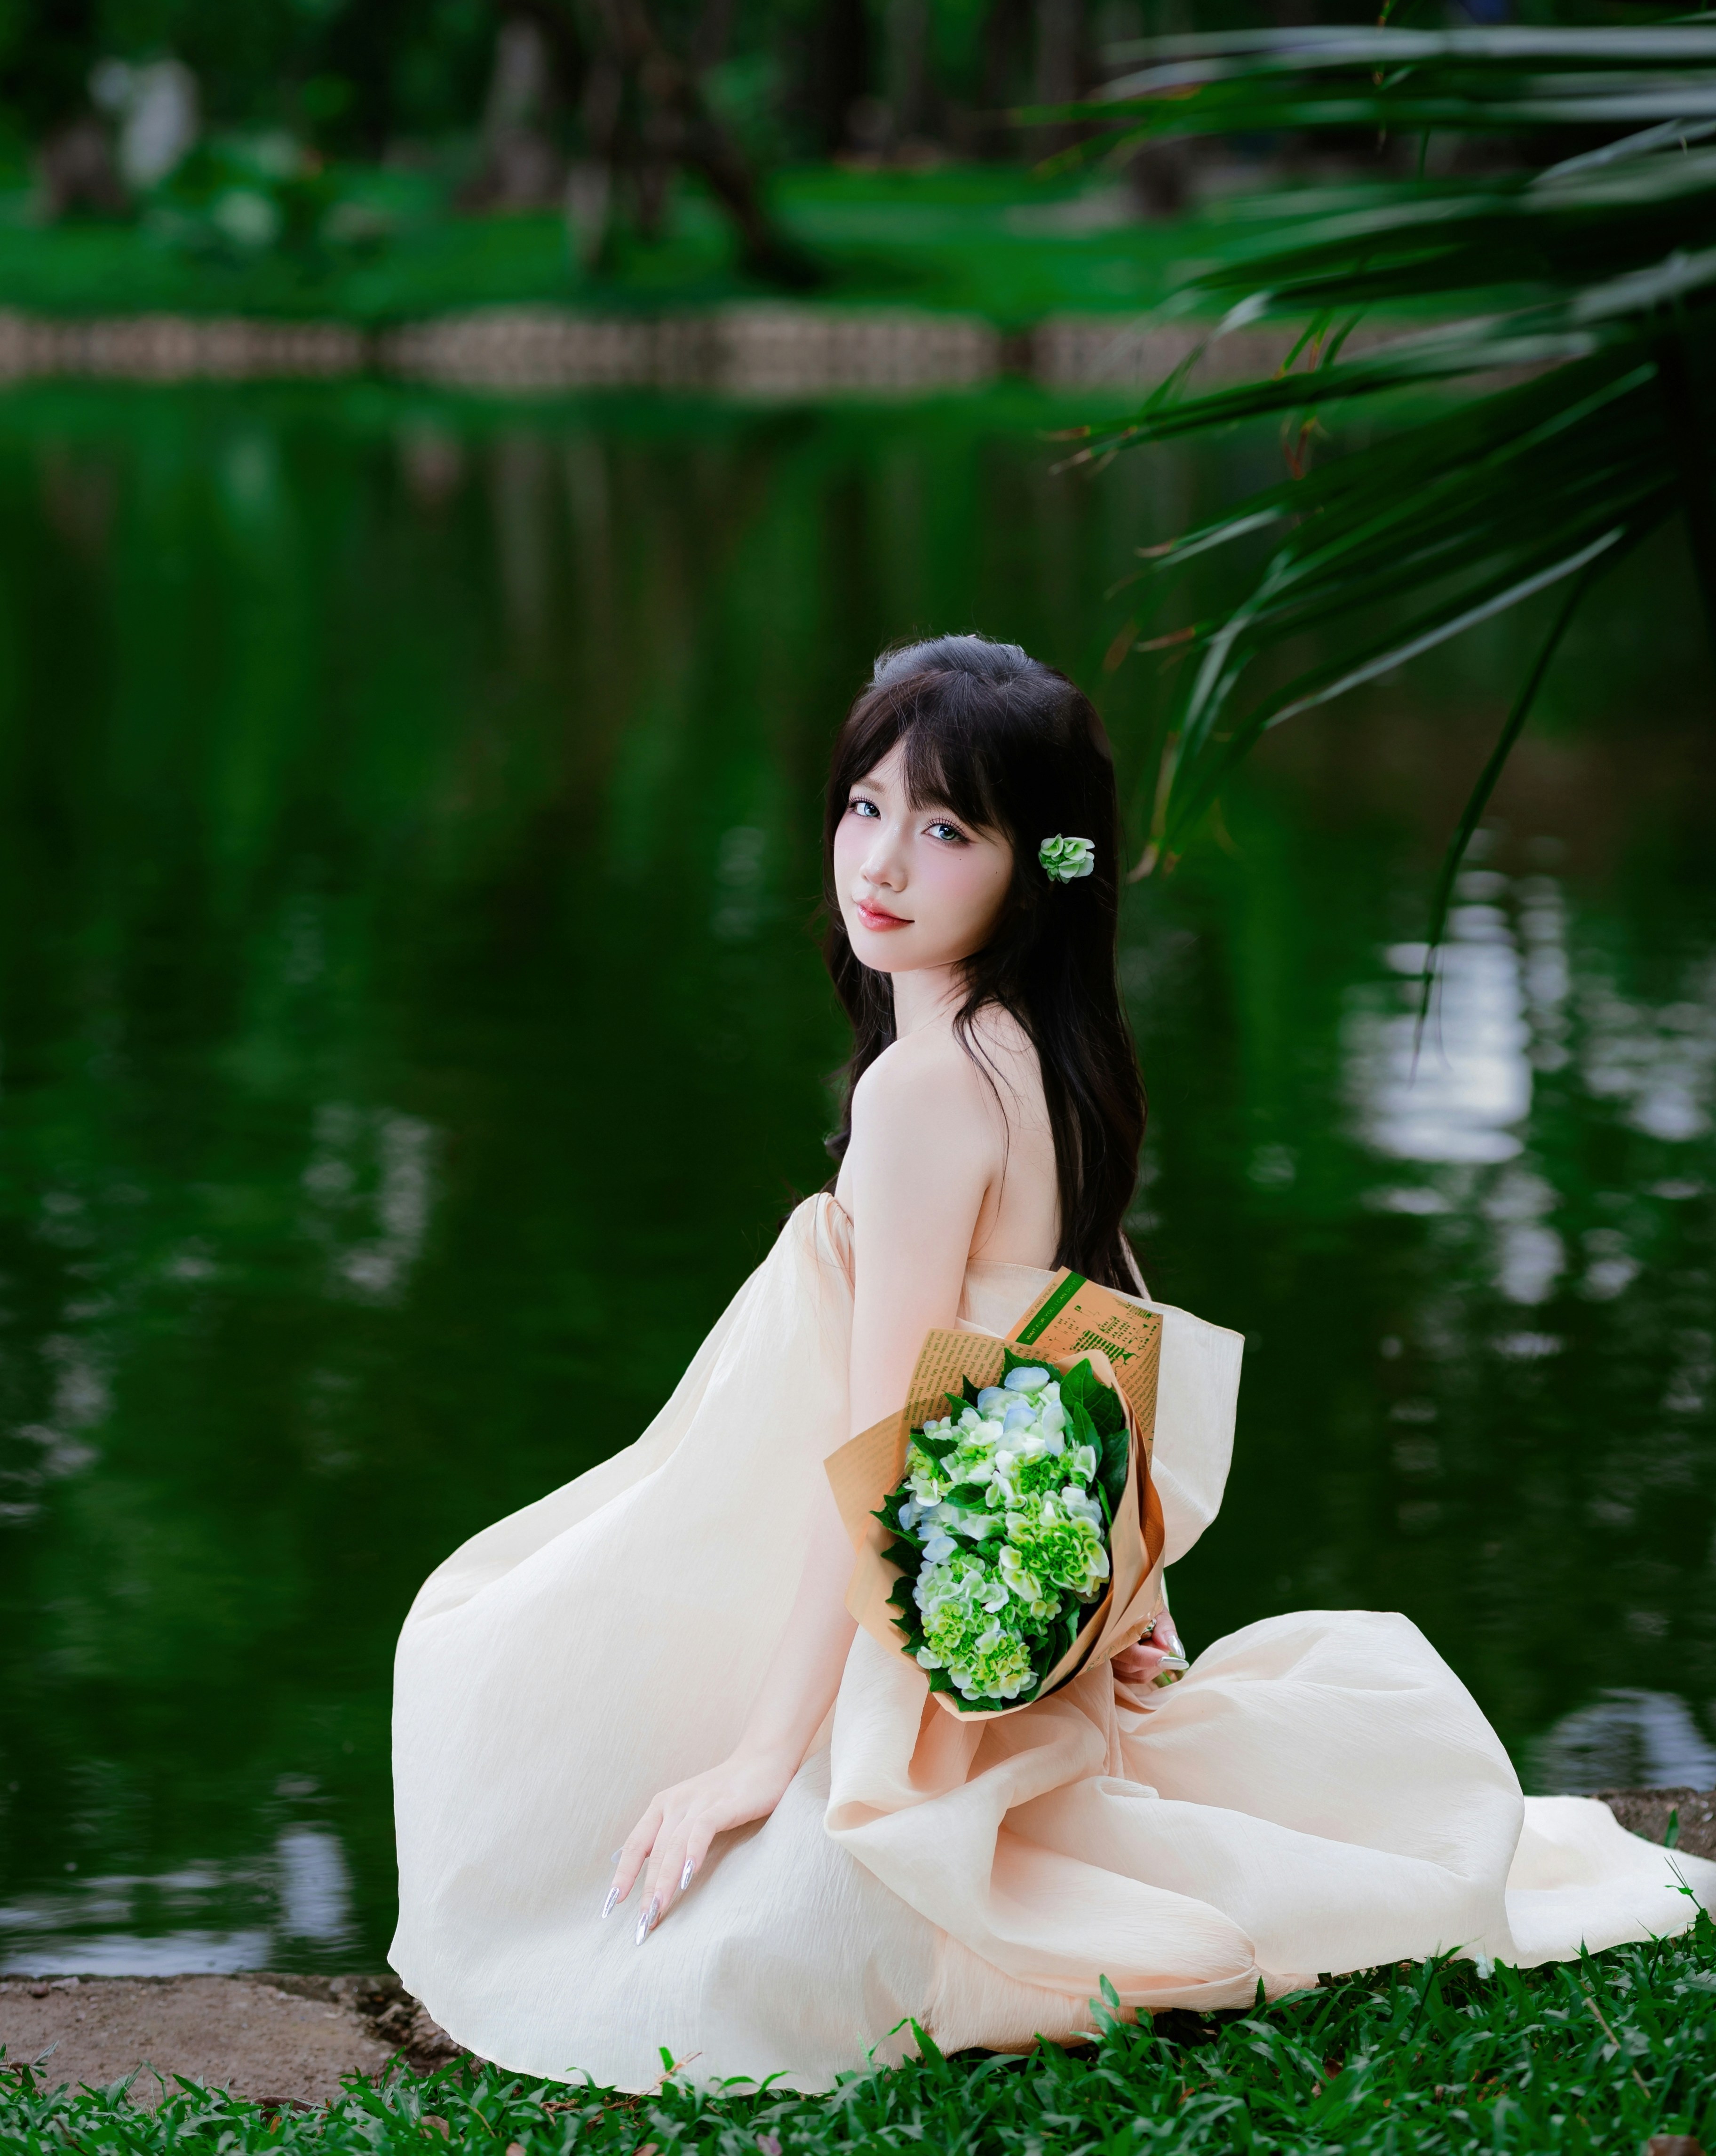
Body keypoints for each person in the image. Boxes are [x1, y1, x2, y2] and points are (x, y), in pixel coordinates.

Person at [391, 634, 1713, 2092]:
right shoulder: (1044, 1049)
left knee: (474, 1648)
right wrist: (1132, 1577)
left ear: (1037, 866)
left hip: (905, 1569)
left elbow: (890, 1445)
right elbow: (1098, 1309)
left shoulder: (926, 1087)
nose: (881, 862)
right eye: (865, 807)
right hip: (974, 1549)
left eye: (948, 829)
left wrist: (765, 1757)